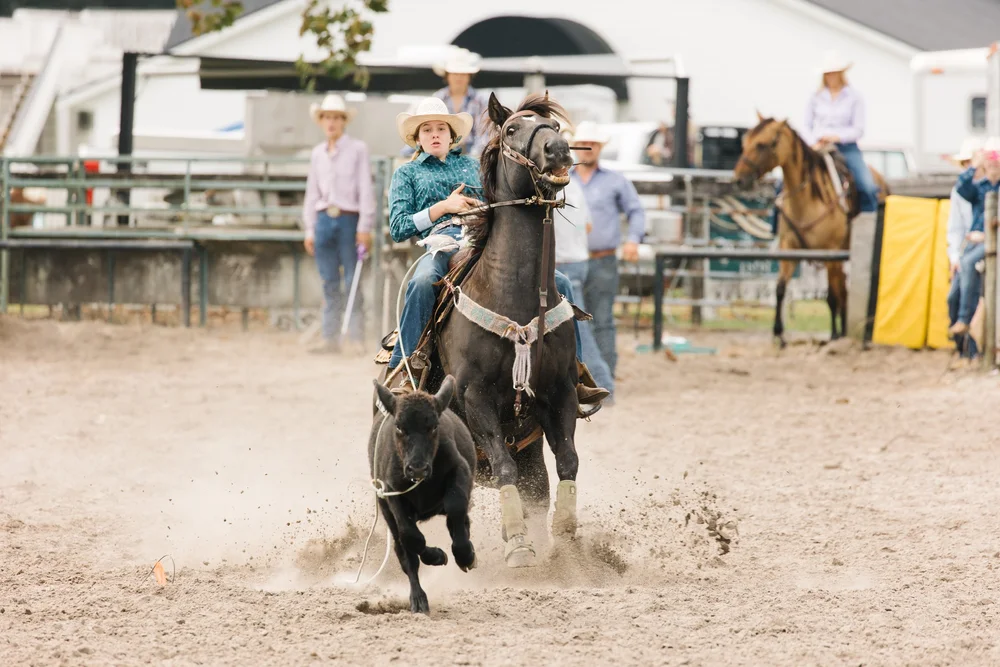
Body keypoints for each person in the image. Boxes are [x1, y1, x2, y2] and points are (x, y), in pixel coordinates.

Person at [386, 97, 609, 407]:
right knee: (423, 282)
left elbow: (501, 196)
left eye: (441, 128)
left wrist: (484, 208)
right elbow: (398, 227)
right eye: (426, 130)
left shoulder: (472, 165)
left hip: (485, 239)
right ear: (417, 138)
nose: (434, 134)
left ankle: (576, 373)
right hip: (439, 245)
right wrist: (442, 208)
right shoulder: (406, 174)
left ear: (452, 135)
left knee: (563, 283)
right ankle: (406, 367)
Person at [570, 120, 645, 379]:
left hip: (602, 259)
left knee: (601, 320)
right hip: (570, 261)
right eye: (583, 144)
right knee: (572, 322)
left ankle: (605, 377)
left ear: (600, 147)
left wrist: (633, 240)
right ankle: (581, 377)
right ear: (575, 148)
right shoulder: (563, 180)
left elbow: (635, 211)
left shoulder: (615, 181)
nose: (588, 148)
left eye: (592, 144)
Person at [302, 93, 376, 354]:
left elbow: (365, 188)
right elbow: (312, 192)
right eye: (327, 118)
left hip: (349, 219)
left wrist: (364, 226)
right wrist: (310, 228)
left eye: (335, 117)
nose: (331, 122)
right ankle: (330, 337)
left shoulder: (357, 149)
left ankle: (355, 337)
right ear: (321, 121)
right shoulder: (317, 154)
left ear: (343, 121)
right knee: (328, 281)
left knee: (353, 280)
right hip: (324, 220)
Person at [555, 136, 616, 403]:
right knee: (586, 326)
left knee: (578, 329)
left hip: (565, 263)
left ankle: (600, 382)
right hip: (580, 261)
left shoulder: (558, 188)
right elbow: (589, 226)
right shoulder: (576, 187)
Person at [801, 50, 880, 214]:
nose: (831, 77)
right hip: (819, 147)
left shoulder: (854, 97)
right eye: (828, 73)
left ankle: (867, 223)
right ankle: (778, 230)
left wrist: (837, 137)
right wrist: (814, 142)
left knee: (867, 186)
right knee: (787, 183)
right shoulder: (815, 96)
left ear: (841, 74)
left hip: (846, 148)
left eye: (834, 73)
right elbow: (806, 125)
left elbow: (858, 129)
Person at [400, 48, 489, 159]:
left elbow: (483, 136)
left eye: (463, 73)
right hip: (437, 156)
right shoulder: (437, 98)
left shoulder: (481, 100)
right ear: (447, 75)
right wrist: (408, 153)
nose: (459, 77)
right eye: (455, 73)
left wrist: (472, 160)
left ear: (469, 76)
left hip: (472, 155)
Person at [950, 138, 1000, 338]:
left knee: (970, 267)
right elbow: (962, 188)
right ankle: (964, 341)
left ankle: (964, 320)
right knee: (954, 295)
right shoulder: (979, 187)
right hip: (973, 244)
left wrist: (985, 235)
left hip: (986, 244)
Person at [945, 138, 983, 355]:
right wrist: (954, 258)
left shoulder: (987, 188)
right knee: (954, 297)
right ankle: (963, 349)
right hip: (966, 251)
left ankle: (973, 348)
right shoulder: (959, 192)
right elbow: (955, 229)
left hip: (980, 248)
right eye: (967, 163)